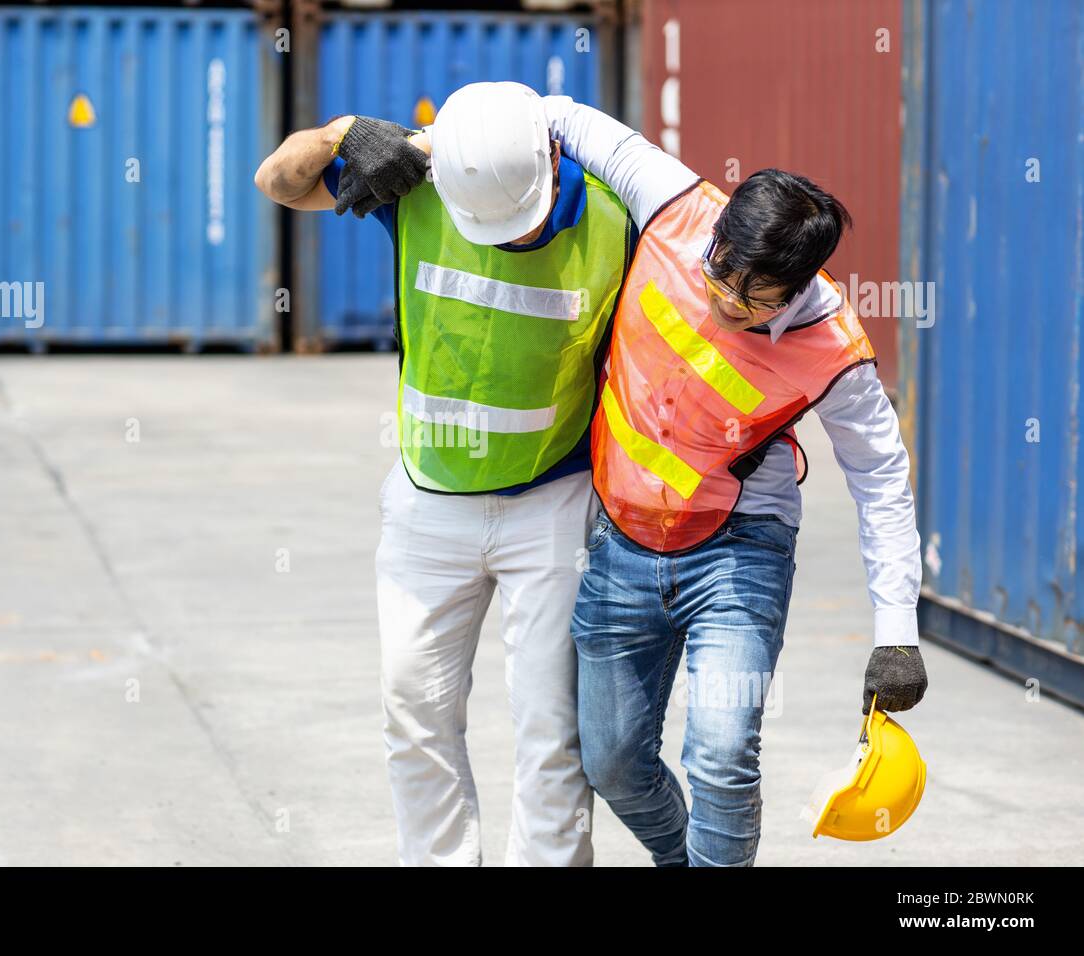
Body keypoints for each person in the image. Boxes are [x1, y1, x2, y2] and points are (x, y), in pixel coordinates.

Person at [510, 97, 927, 866]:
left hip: (738, 552)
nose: (725, 299)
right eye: (721, 272)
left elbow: (881, 482)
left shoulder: (833, 352)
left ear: (800, 282)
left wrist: (897, 632)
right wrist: (422, 145)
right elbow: (557, 115)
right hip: (619, 541)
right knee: (610, 762)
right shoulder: (670, 201)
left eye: (754, 295)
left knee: (722, 757)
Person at [254, 82, 636, 866]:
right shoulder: (418, 186)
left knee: (551, 729)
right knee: (412, 713)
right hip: (430, 500)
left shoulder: (614, 216)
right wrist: (339, 132)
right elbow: (277, 182)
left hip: (552, 501)